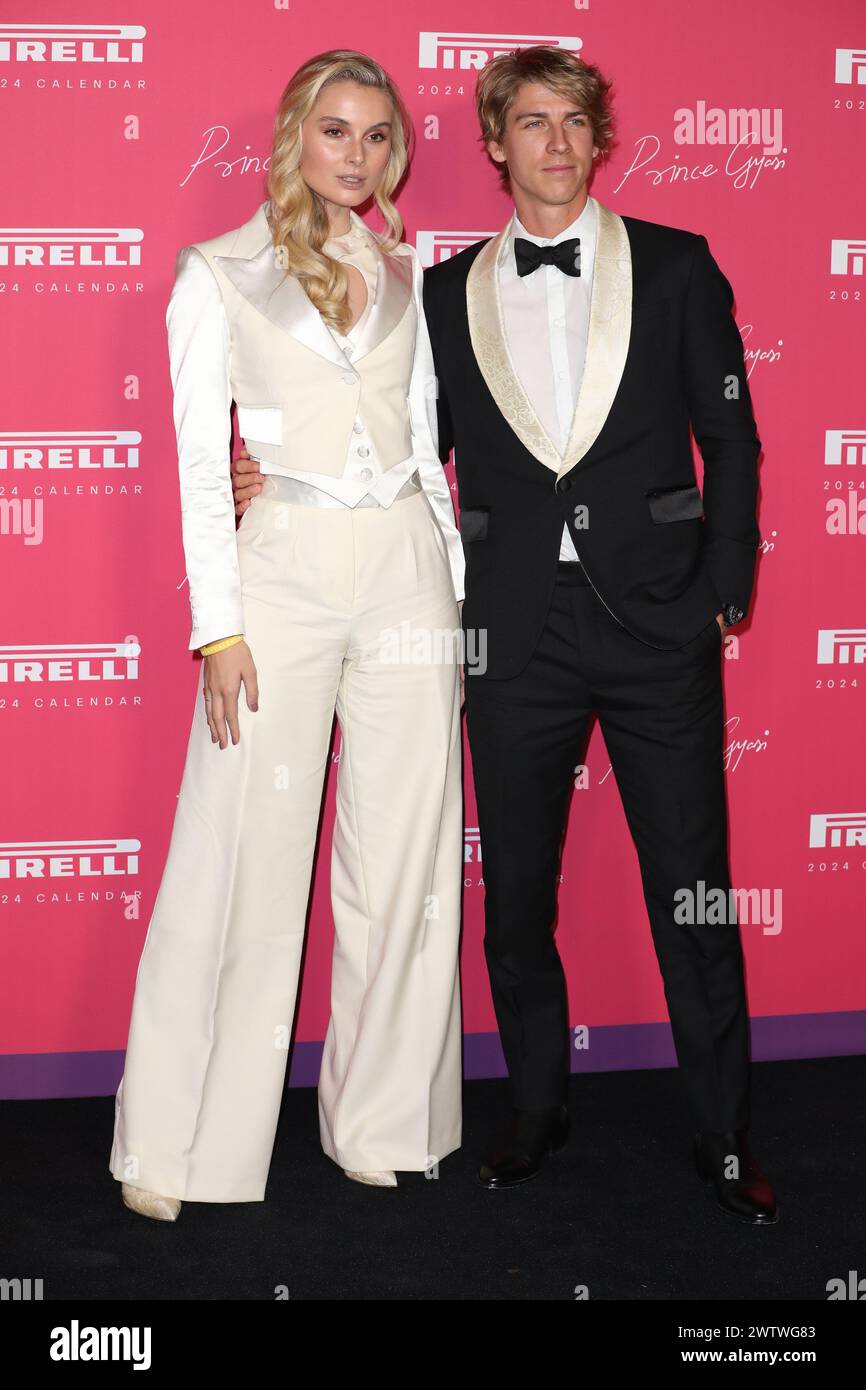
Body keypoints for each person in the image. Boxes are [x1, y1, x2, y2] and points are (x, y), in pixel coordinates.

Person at [234, 43, 778, 1225]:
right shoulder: (437, 291)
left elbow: (729, 437)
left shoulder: (679, 267)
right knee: (515, 896)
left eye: (575, 120)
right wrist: (265, 471)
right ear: (494, 143)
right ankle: (535, 1113)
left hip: (654, 627)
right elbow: (386, 437)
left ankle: (724, 1136)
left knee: (692, 890)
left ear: (596, 136)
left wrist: (721, 586)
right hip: (509, 634)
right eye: (532, 122)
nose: (557, 143)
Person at [110, 50, 465, 1221]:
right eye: (334, 131)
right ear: (293, 139)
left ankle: (383, 1121)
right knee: (238, 857)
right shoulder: (214, 275)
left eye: (374, 136)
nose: (354, 155)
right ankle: (182, 1148)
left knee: (404, 862)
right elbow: (200, 476)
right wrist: (217, 631)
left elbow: (423, 450)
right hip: (283, 581)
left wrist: (450, 594)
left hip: (407, 572)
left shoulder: (408, 271)